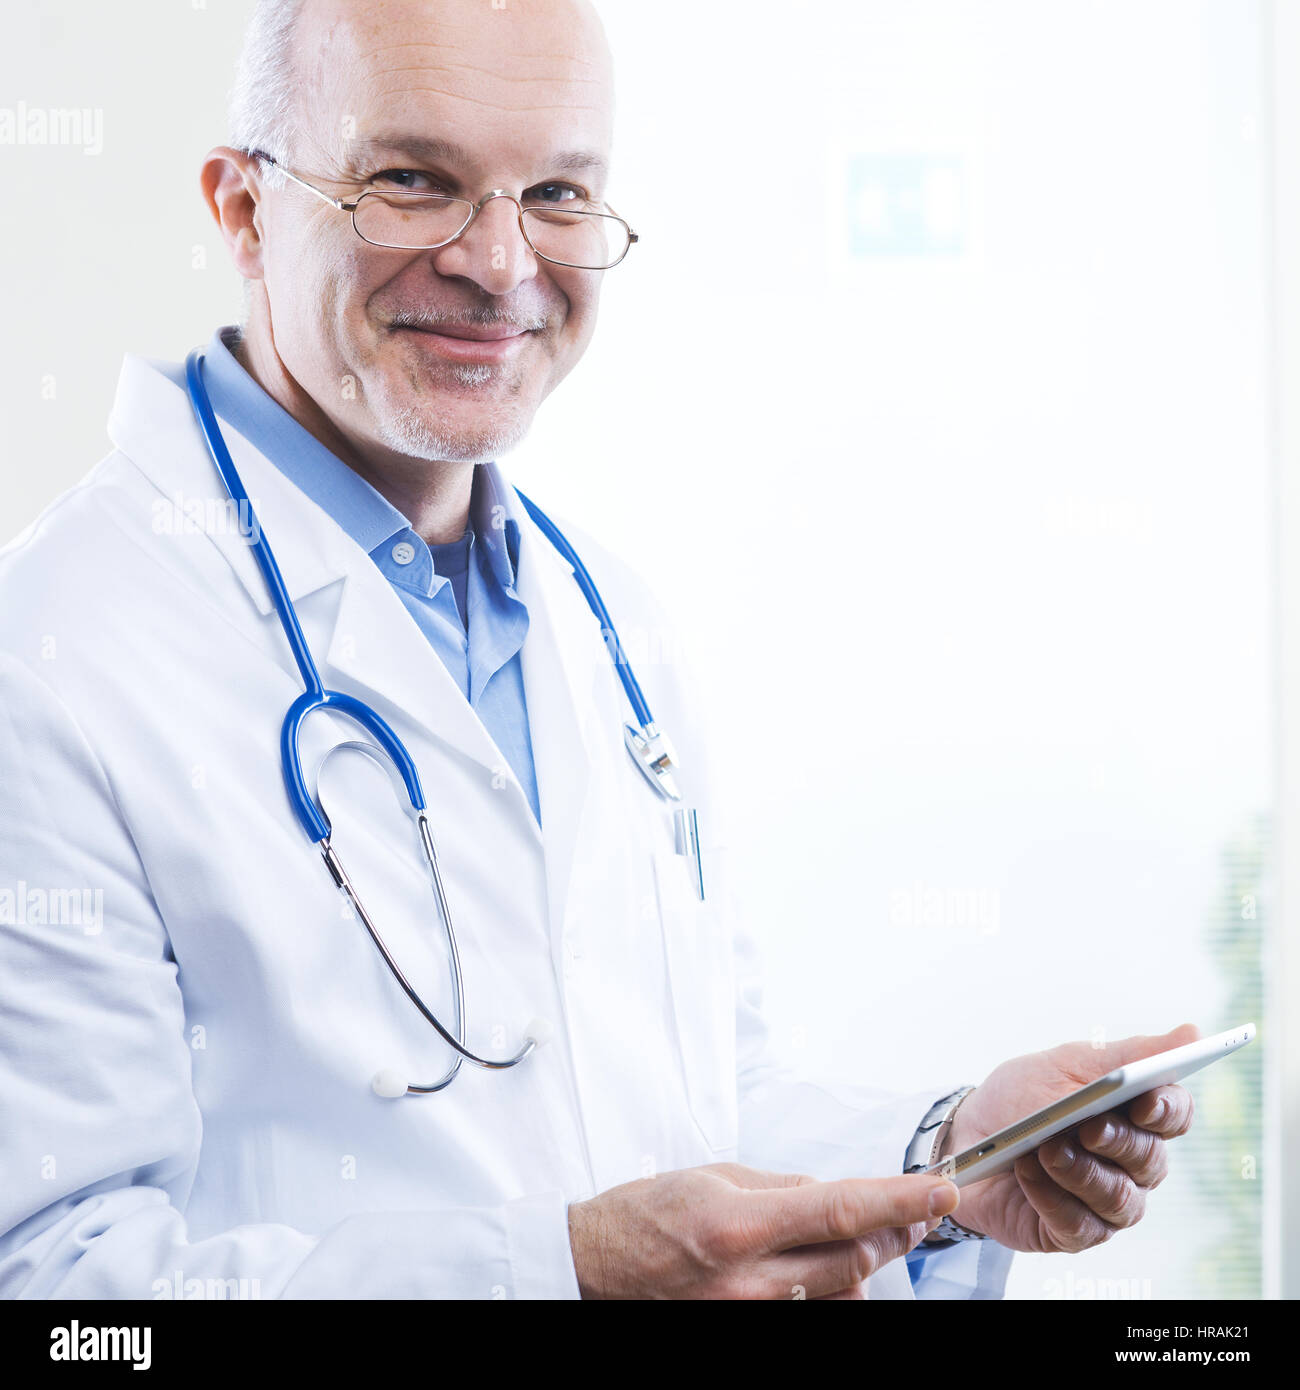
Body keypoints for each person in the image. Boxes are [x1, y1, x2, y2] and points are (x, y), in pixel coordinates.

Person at [0, 0, 1194, 1300]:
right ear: (241, 208)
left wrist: (944, 1160)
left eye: (559, 192)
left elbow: (694, 1119)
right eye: (414, 180)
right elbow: (62, 1290)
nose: (502, 262)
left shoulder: (609, 625)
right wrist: (559, 1274)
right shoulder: (59, 653)